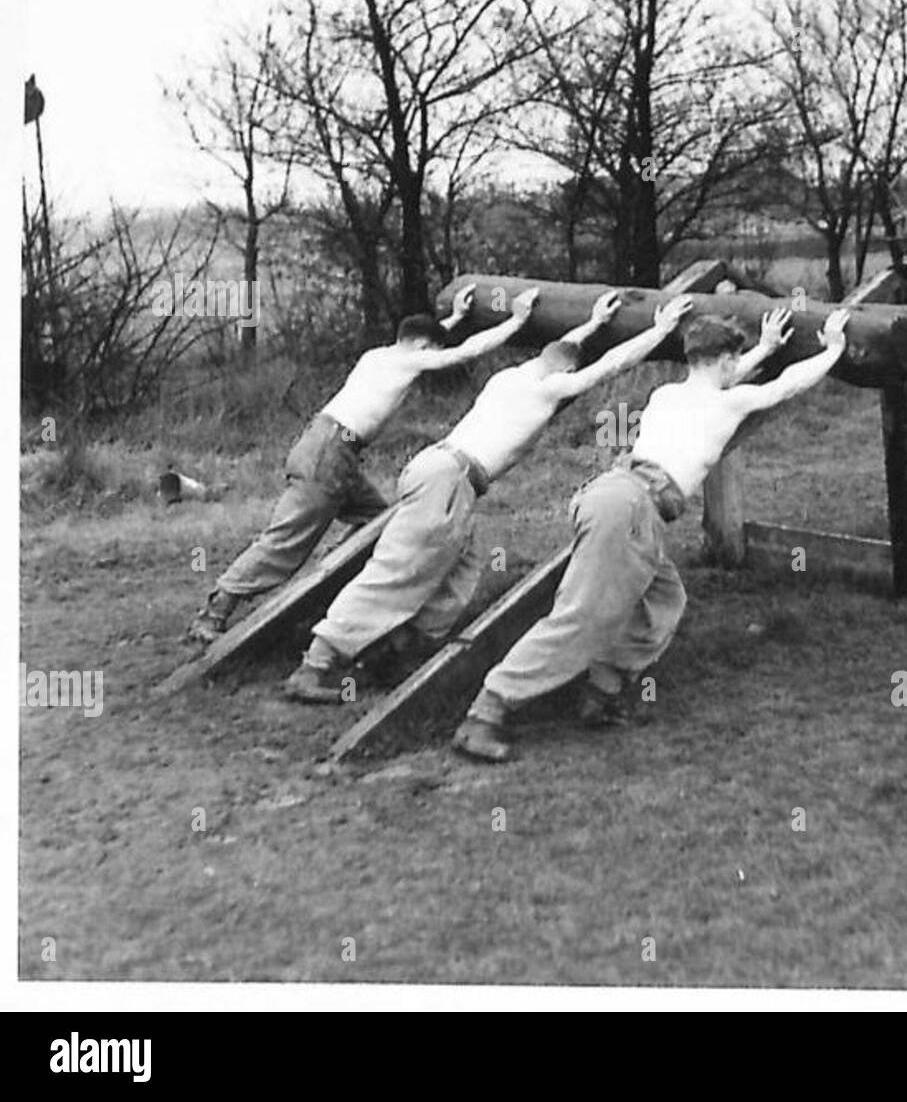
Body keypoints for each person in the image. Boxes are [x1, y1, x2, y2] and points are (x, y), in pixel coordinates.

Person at [452, 305, 852, 762]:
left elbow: (723, 377)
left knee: (663, 600)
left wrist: (763, 347)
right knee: (581, 617)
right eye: (732, 363)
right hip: (630, 509)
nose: (734, 371)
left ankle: (600, 696)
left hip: (614, 498)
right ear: (724, 363)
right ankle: (485, 713)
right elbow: (787, 386)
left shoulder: (667, 394)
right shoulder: (728, 401)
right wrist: (834, 349)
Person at [282, 288, 695, 704]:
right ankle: (317, 664)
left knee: (465, 565)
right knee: (398, 571)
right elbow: (611, 365)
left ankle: (394, 652)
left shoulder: (512, 377)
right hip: (450, 478)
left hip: (436, 470)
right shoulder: (546, 390)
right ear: (561, 374)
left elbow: (562, 351)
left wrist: (594, 323)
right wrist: (659, 330)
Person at [185, 284, 525, 643]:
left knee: (378, 523)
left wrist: (455, 316)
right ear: (423, 347)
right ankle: (214, 613)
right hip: (329, 453)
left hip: (332, 449)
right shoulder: (405, 359)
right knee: (285, 542)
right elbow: (462, 353)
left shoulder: (379, 355)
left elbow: (429, 344)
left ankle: (331, 588)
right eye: (431, 348)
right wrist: (516, 322)